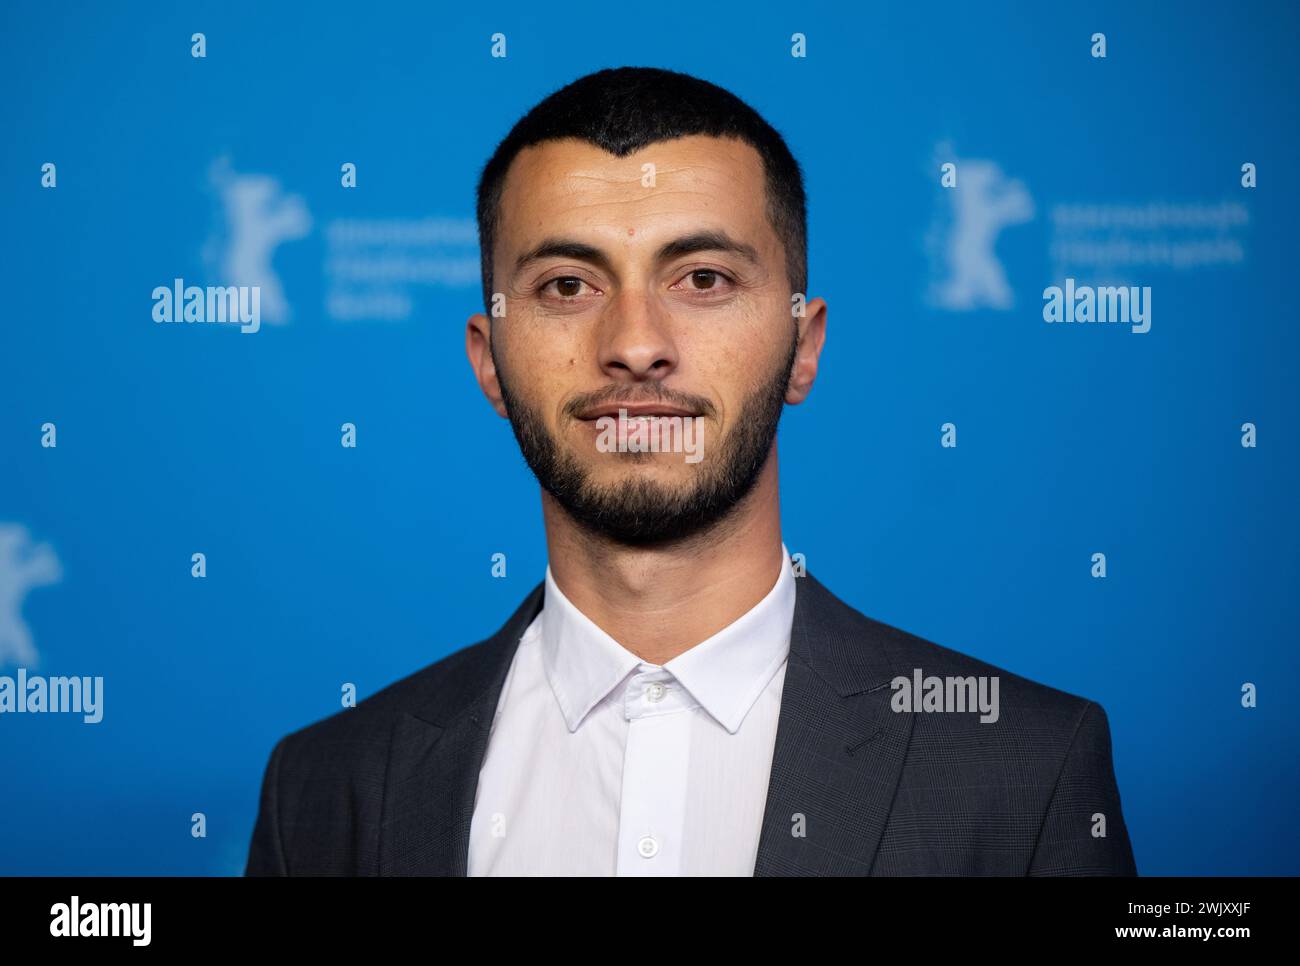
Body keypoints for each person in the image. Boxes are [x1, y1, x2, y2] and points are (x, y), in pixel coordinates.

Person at [245, 66, 1136, 876]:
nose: (635, 345)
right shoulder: (324, 791)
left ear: (803, 347)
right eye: (566, 286)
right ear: (489, 363)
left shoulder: (1027, 774)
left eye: (703, 278)